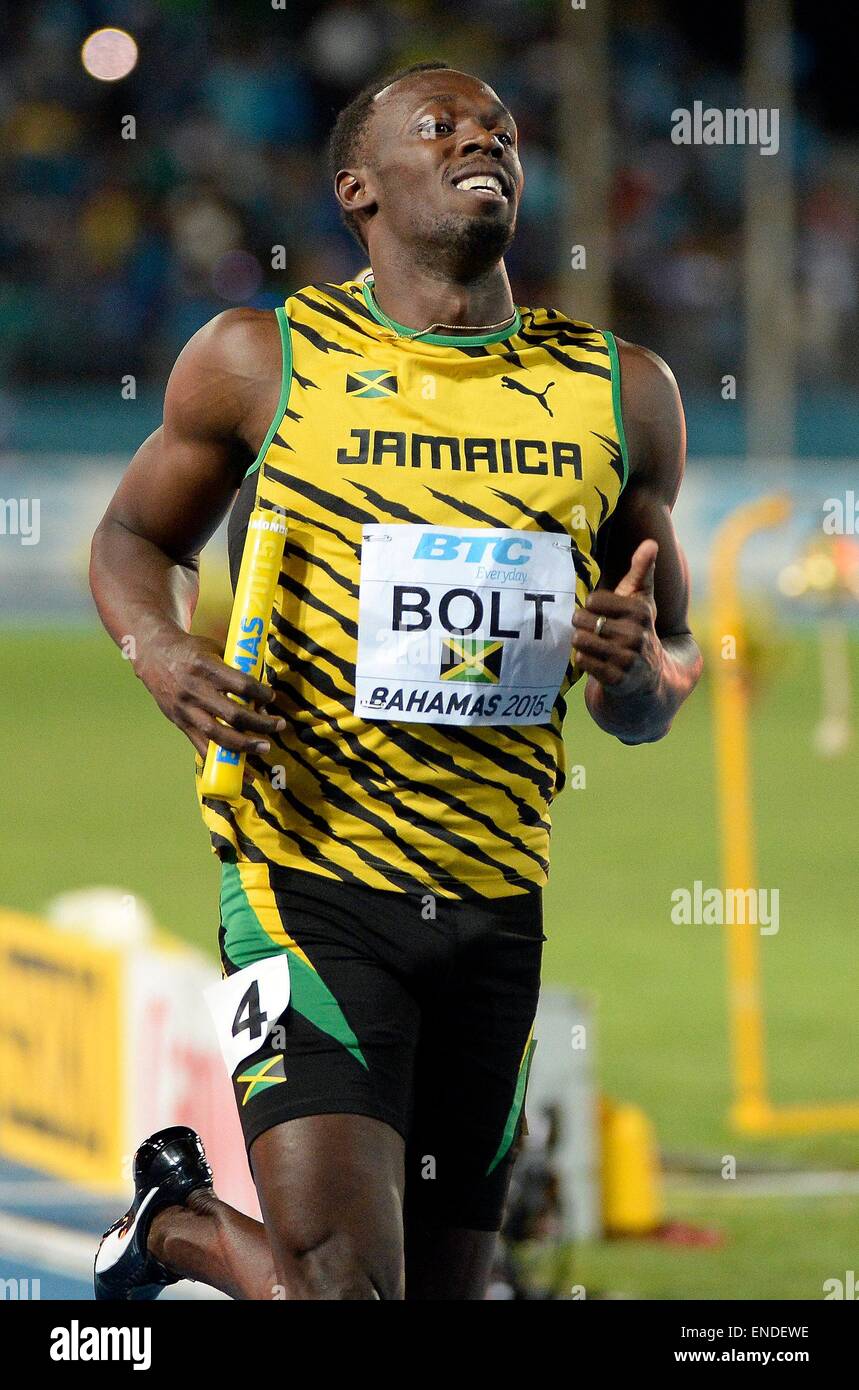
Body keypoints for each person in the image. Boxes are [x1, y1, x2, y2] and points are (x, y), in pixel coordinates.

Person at [90, 61, 701, 1302]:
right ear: (357, 188)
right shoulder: (264, 360)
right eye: (441, 127)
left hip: (494, 895)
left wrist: (636, 667)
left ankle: (180, 1220)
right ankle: (195, 1233)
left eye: (501, 130)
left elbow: (650, 696)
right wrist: (162, 650)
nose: (483, 140)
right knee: (345, 1289)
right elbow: (133, 541)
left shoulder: (620, 394)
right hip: (304, 876)